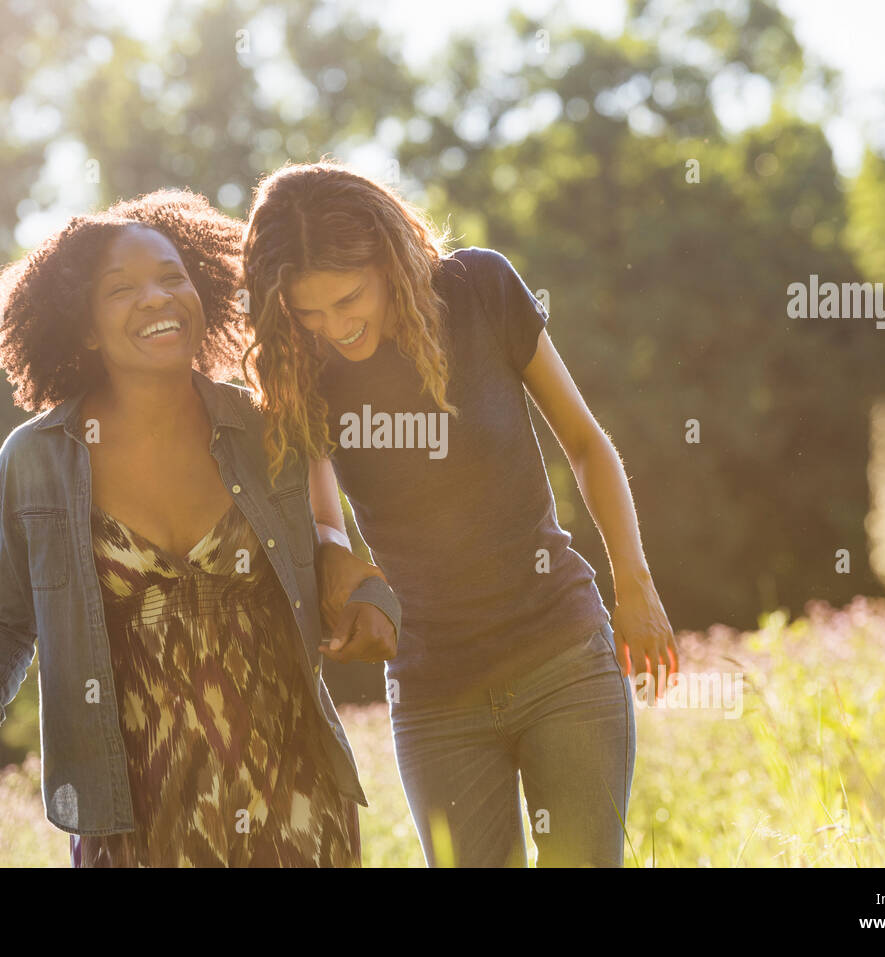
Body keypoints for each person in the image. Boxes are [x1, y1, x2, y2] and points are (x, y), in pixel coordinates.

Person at [0, 189, 400, 866]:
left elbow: (327, 546)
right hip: (135, 822)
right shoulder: (35, 462)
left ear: (202, 293)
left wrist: (369, 596)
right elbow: (4, 621)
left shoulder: (267, 430)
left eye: (172, 277)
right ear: (85, 326)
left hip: (295, 801)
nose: (155, 297)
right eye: (121, 288)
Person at [240, 161, 678, 867]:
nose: (335, 326)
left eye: (349, 298)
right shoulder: (302, 364)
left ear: (388, 258)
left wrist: (635, 582)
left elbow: (587, 444)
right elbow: (325, 520)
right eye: (309, 312)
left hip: (562, 655)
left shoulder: (480, 290)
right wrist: (340, 567)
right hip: (434, 692)